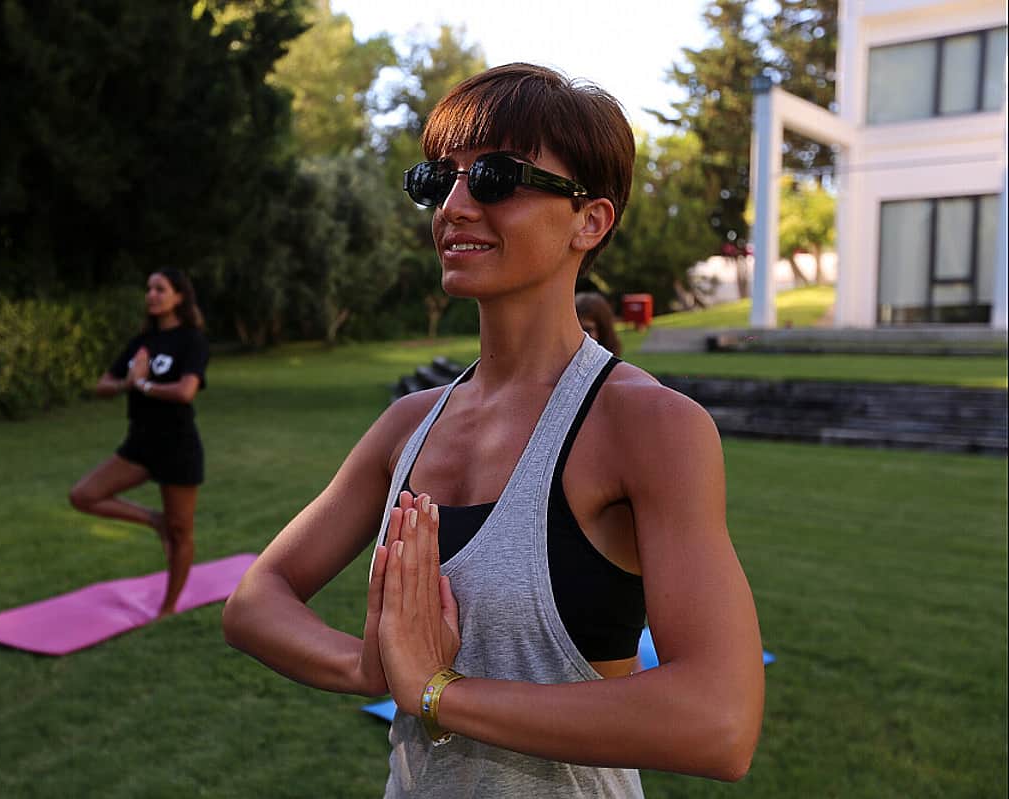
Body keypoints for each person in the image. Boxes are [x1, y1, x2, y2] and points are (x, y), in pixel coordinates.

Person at [223, 63, 764, 797]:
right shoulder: (408, 425)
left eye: (496, 178)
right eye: (437, 180)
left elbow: (719, 720)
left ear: (590, 220)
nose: (454, 207)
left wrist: (436, 691)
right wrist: (370, 667)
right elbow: (256, 599)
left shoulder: (649, 426)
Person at [69, 268, 210, 618]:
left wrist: (143, 385)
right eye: (148, 289)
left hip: (177, 446)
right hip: (139, 444)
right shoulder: (141, 342)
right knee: (83, 495)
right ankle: (153, 520)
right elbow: (102, 385)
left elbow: (186, 391)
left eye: (160, 289)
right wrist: (127, 383)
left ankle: (168, 608)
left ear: (179, 296)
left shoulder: (191, 340)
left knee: (181, 530)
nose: (151, 295)